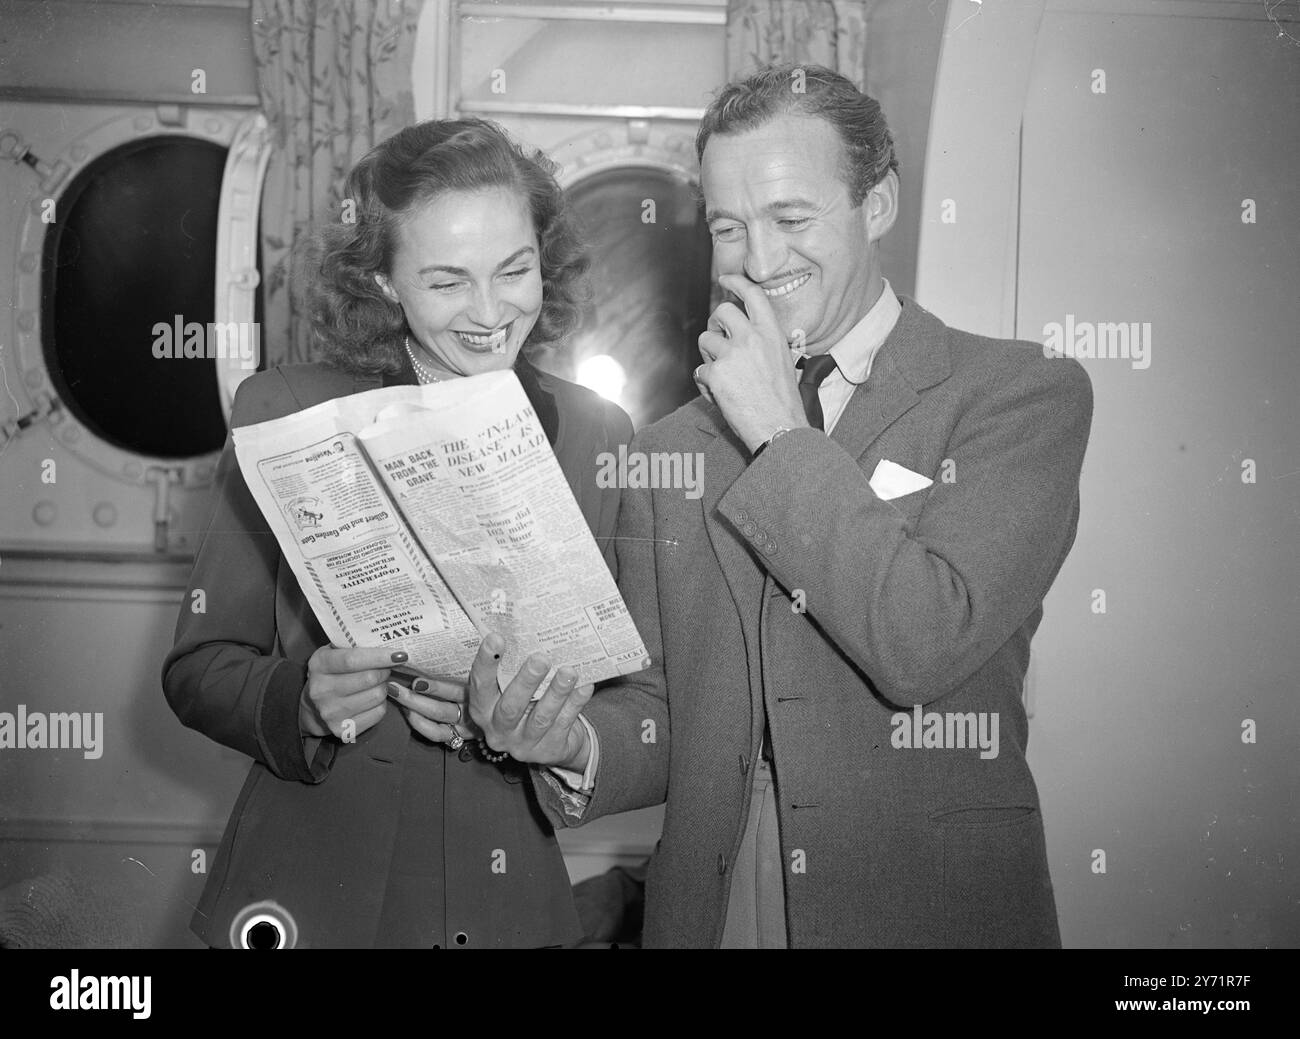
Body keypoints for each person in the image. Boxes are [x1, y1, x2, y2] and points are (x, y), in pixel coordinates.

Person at [461, 63, 1095, 948]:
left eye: (792, 218)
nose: (757, 262)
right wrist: (568, 741)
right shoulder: (671, 448)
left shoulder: (1018, 394)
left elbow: (926, 641)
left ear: (878, 204)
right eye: (728, 227)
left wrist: (777, 433)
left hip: (926, 898)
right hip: (714, 902)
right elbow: (661, 707)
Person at [162, 118, 631, 948]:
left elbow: (639, 693)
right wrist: (300, 698)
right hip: (312, 878)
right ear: (383, 279)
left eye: (515, 269)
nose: (491, 313)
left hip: (505, 895)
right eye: (448, 282)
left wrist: (555, 726)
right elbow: (199, 666)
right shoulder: (287, 410)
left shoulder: (602, 434)